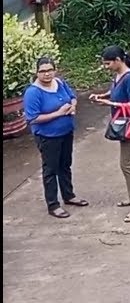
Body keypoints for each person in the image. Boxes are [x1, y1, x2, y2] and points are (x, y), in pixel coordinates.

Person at [23, 56, 89, 218]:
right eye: (42, 71)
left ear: (55, 70)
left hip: (66, 132)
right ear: (36, 73)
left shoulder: (60, 83)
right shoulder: (33, 92)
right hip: (48, 136)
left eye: (49, 70)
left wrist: (72, 106)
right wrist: (58, 113)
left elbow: (72, 96)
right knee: (50, 169)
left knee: (65, 165)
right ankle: (53, 204)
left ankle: (69, 195)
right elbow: (33, 118)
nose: (47, 74)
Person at [88, 46, 130, 222]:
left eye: (108, 63)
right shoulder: (120, 75)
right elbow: (117, 93)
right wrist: (103, 96)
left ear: (118, 60)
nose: (106, 66)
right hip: (124, 122)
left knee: (126, 165)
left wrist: (110, 103)